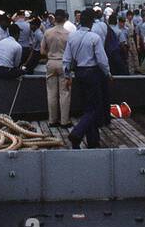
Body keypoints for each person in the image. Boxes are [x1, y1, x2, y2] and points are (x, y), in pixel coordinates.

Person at [65, 10, 110, 149]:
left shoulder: (72, 37)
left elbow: (66, 59)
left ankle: (93, 140)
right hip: (92, 73)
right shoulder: (94, 38)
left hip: (78, 73)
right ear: (91, 22)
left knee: (86, 107)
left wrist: (67, 76)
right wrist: (108, 73)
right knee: (95, 108)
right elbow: (102, 60)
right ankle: (77, 133)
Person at [41, 9, 72, 126]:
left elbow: (42, 50)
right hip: (64, 63)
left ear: (54, 18)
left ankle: (52, 120)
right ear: (64, 19)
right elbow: (71, 53)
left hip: (51, 62)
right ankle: (64, 121)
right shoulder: (68, 34)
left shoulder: (48, 32)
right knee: (64, 93)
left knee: (51, 93)